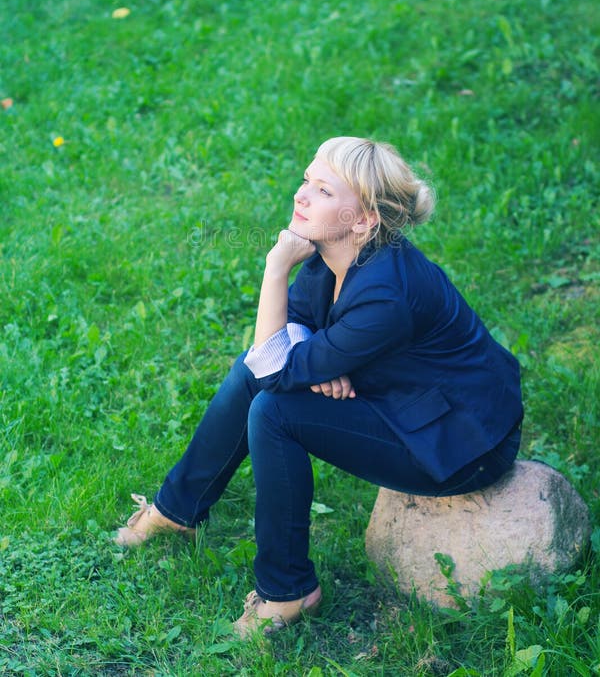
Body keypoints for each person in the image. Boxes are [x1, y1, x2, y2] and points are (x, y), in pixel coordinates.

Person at [114, 136, 523, 638]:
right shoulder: (334, 253)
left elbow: (277, 368)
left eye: (323, 190)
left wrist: (274, 266)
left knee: (274, 410)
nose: (300, 195)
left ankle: (288, 592)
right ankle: (176, 511)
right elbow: (285, 341)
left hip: (461, 441)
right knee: (255, 377)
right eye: (307, 179)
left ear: (364, 219)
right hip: (413, 398)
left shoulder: (383, 295)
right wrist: (317, 359)